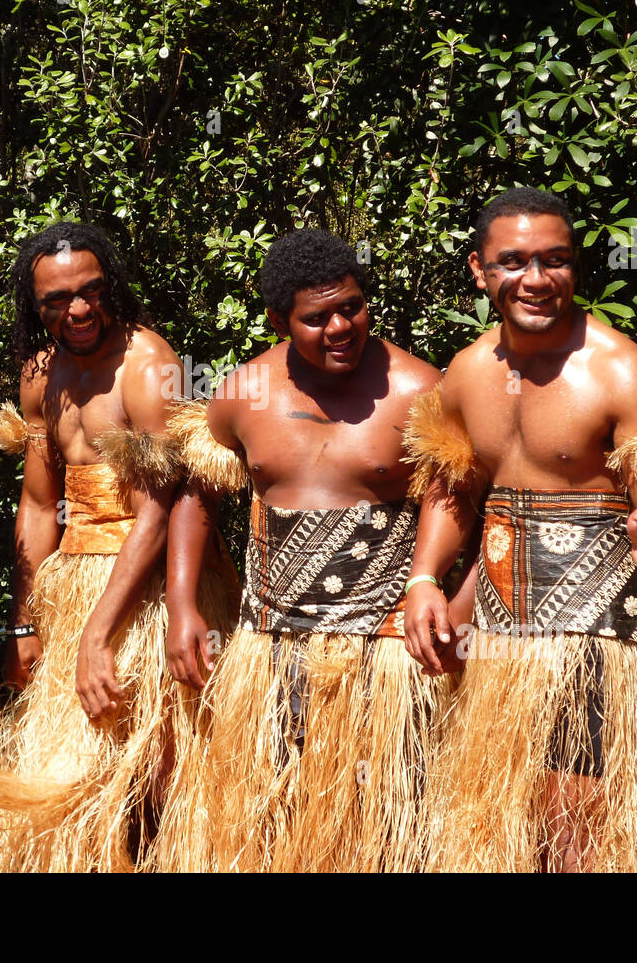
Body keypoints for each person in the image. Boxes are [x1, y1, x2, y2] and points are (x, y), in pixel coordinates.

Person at [149, 228, 468, 873]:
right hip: (271, 647)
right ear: (279, 321)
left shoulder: (419, 390)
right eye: (315, 318)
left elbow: (464, 502)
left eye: (350, 306)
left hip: (387, 656)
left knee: (389, 836)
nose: (339, 327)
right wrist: (183, 602)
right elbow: (197, 495)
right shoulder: (244, 392)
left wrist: (447, 596)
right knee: (273, 830)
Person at [404, 187, 637, 872]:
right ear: (479, 269)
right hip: (497, 642)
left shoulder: (624, 372)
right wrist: (426, 578)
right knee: (495, 840)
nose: (536, 280)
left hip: (594, 651)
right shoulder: (469, 373)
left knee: (575, 843)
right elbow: (457, 494)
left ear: (575, 267)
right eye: (514, 262)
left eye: (554, 261)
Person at [0, 221, 235, 872]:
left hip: (153, 590)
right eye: (57, 300)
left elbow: (159, 505)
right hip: (74, 584)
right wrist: (26, 619)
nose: (79, 308)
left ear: (111, 285)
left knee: (166, 777)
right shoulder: (40, 376)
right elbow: (38, 506)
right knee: (73, 787)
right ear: (36, 308)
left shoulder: (147, 364)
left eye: (91, 290)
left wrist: (98, 633)